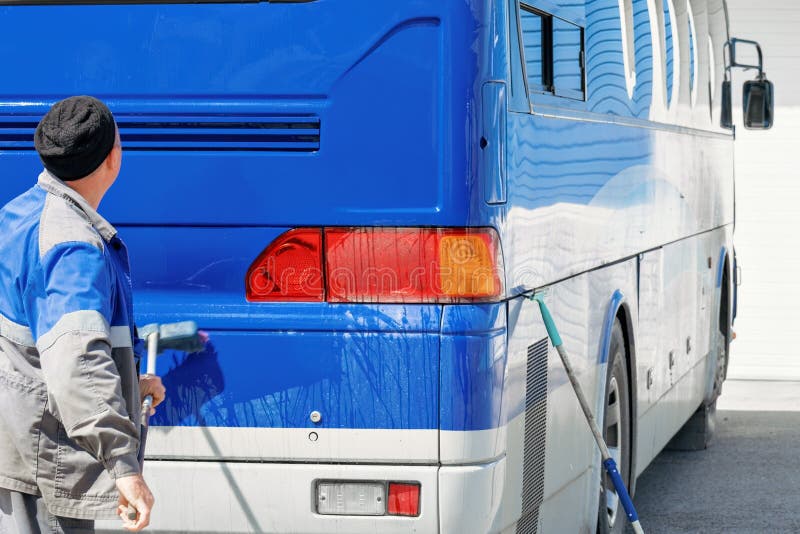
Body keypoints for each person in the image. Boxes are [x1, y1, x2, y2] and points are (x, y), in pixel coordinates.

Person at [0, 96, 165, 533]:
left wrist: (130, 382)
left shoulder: (18, 215)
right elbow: (76, 362)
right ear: (114, 156)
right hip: (48, 459)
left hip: (17, 443)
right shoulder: (72, 246)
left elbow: (37, 342)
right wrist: (124, 466)